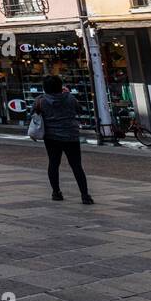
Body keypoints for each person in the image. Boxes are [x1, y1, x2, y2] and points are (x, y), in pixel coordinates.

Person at [35, 75, 93, 204]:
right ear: (60, 86)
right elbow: (80, 110)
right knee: (76, 165)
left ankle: (56, 192)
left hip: (51, 137)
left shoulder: (40, 100)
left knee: (53, 164)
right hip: (70, 135)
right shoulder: (70, 98)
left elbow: (34, 114)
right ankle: (85, 195)